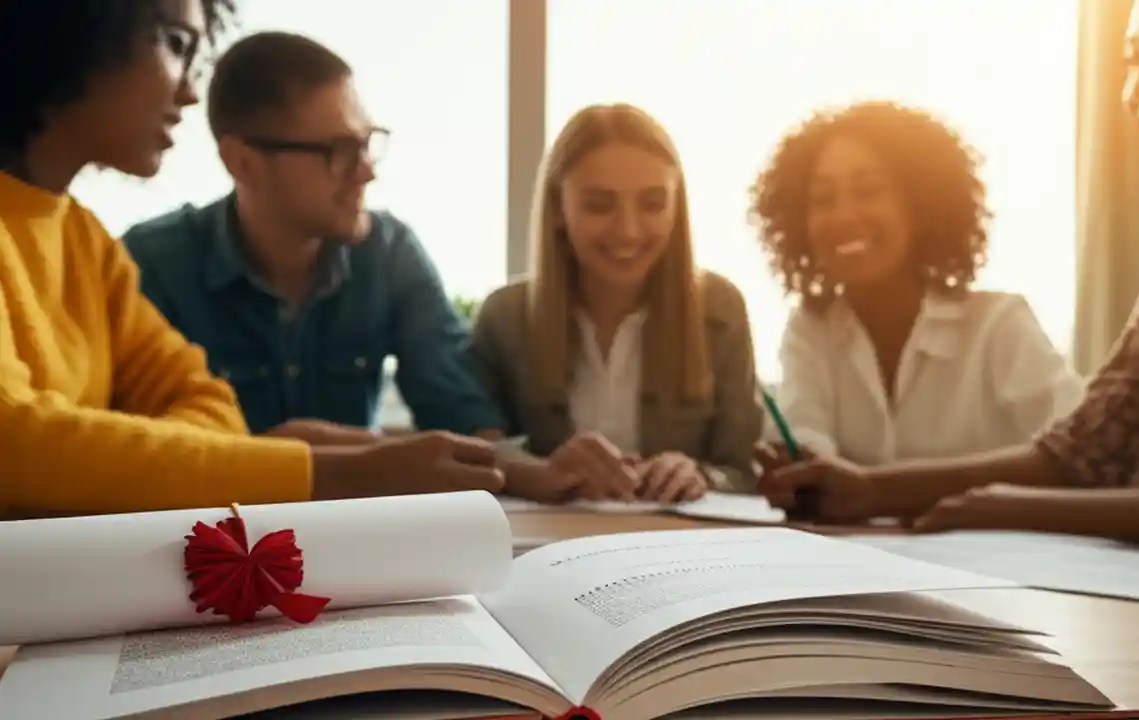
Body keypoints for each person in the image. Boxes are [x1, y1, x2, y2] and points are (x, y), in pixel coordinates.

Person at [757, 0, 1139, 556]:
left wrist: (1010, 507)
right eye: (1133, 59)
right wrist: (868, 491)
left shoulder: (1002, 320)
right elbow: (1079, 457)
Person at [0, 0, 502, 519]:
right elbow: (13, 446)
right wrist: (346, 472)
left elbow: (216, 410)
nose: (190, 93)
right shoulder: (143, 252)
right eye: (175, 43)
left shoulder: (85, 240)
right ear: (76, 27)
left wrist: (112, 463)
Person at [122, 32, 504, 445]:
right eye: (338, 151)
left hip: (356, 512)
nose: (366, 172)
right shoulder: (151, 267)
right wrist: (352, 456)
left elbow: (469, 423)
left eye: (366, 144)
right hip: (216, 512)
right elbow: (142, 452)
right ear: (243, 163)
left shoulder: (389, 253)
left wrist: (533, 470)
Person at [750, 102, 1082, 465]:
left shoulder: (1000, 326)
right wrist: (799, 459)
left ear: (921, 206)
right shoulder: (810, 331)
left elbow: (1081, 448)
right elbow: (805, 430)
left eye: (867, 191)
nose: (843, 216)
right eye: (822, 200)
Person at [472, 104, 763, 504]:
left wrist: (701, 476)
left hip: (678, 553)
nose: (628, 231)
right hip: (548, 550)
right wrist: (541, 472)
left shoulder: (720, 309)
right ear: (559, 207)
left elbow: (745, 470)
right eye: (599, 205)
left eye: (653, 204)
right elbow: (473, 453)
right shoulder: (504, 318)